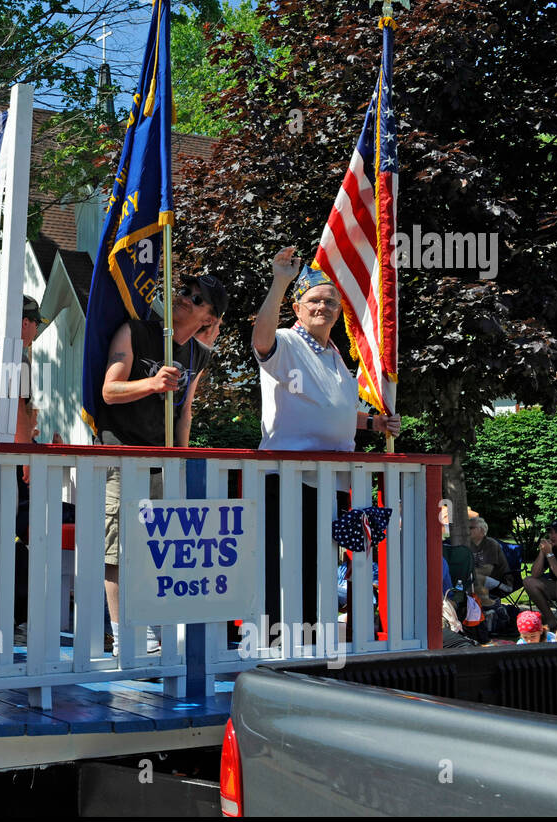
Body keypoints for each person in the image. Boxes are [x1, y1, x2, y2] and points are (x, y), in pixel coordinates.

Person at [252, 247, 401, 630]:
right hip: (290, 479)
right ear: (297, 308)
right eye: (315, 300)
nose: (323, 307)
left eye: (331, 302)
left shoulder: (335, 354)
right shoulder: (287, 342)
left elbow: (332, 411)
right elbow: (261, 341)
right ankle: (279, 642)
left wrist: (374, 423)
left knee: (320, 565)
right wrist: (280, 282)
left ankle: (313, 638)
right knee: (286, 566)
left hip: (330, 481)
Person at [96, 271, 226, 655]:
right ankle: (125, 639)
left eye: (197, 298)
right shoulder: (135, 331)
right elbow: (109, 391)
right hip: (122, 455)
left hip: (162, 461)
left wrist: (181, 463)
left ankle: (151, 631)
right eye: (185, 290)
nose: (184, 297)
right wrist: (152, 383)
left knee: (158, 549)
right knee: (118, 550)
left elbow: (184, 413)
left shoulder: (198, 355)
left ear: (209, 318)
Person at [522, 520, 557, 630]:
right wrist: (542, 552)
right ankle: (551, 620)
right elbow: (535, 574)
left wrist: (549, 553)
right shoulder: (551, 548)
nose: (552, 536)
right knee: (528, 581)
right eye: (550, 532)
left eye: (556, 532)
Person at [467, 516, 512, 599]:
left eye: (471, 528)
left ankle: (475, 604)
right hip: (481, 579)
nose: (467, 530)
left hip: (501, 583)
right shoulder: (470, 545)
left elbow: (487, 571)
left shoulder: (490, 544)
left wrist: (467, 572)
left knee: (473, 578)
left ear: (481, 530)